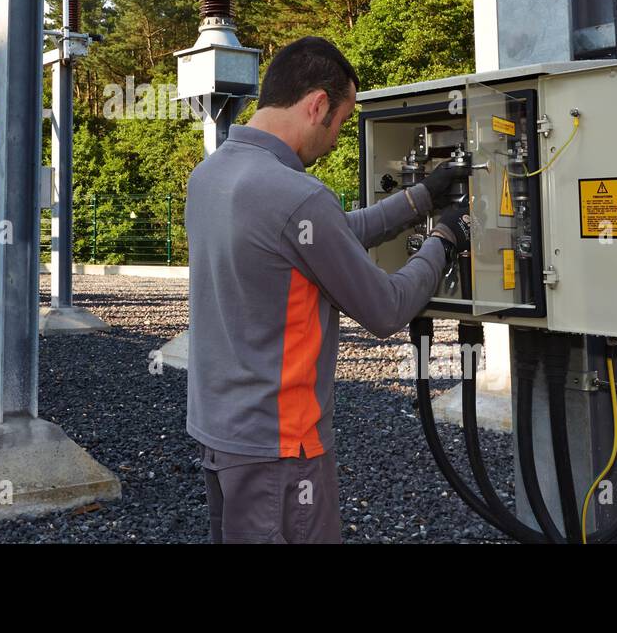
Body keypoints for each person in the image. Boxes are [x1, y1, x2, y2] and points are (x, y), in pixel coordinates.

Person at [184, 36, 470, 544]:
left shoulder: (210, 176)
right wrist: (445, 241)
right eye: (340, 121)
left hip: (220, 437)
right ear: (317, 104)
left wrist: (420, 199)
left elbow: (321, 238)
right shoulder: (298, 195)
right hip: (282, 449)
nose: (338, 138)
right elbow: (386, 308)